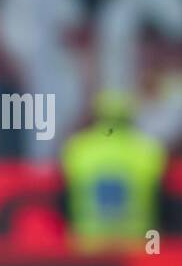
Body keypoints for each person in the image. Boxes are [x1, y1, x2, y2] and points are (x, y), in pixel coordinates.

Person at [62, 90, 167, 253]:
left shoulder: (78, 148)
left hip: (87, 246)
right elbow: (162, 201)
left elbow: (64, 198)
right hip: (136, 246)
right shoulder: (148, 150)